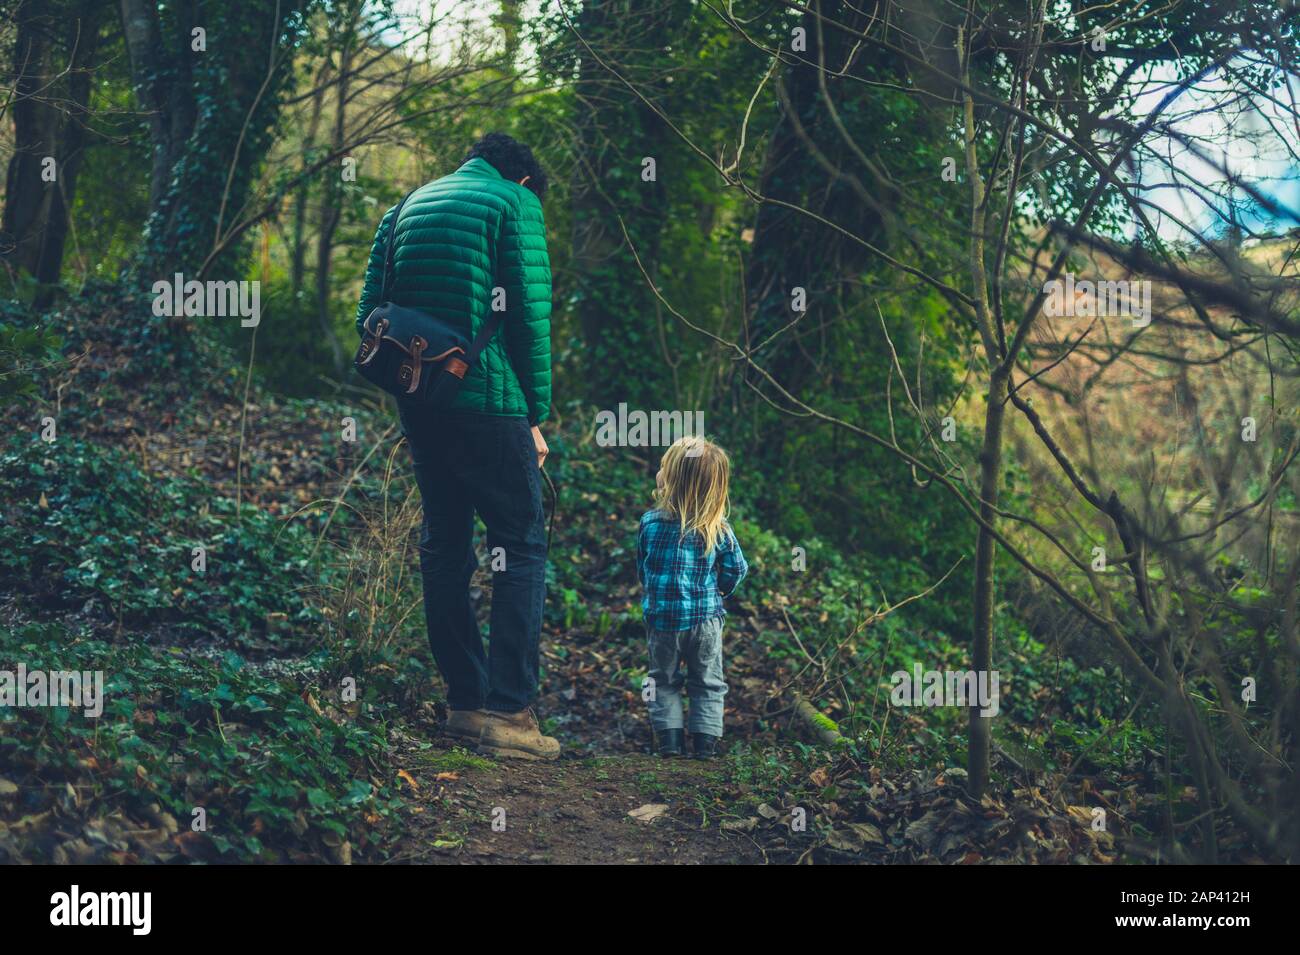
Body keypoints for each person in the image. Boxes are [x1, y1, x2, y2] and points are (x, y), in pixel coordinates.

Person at [355, 133, 557, 760]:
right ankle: (510, 715)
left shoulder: (406, 204)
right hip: (492, 403)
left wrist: (412, 384)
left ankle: (465, 704)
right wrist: (535, 412)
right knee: (519, 543)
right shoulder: (513, 204)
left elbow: (370, 313)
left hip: (422, 402)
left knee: (445, 540)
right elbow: (527, 314)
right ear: (522, 178)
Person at [637, 436, 748, 759]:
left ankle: (670, 743)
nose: (658, 471)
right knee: (709, 682)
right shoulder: (718, 528)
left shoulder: (650, 522)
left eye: (662, 467)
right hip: (705, 621)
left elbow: (643, 567)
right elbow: (736, 569)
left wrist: (655, 592)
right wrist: (720, 591)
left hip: (662, 622)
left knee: (663, 680)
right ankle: (705, 745)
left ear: (670, 480)